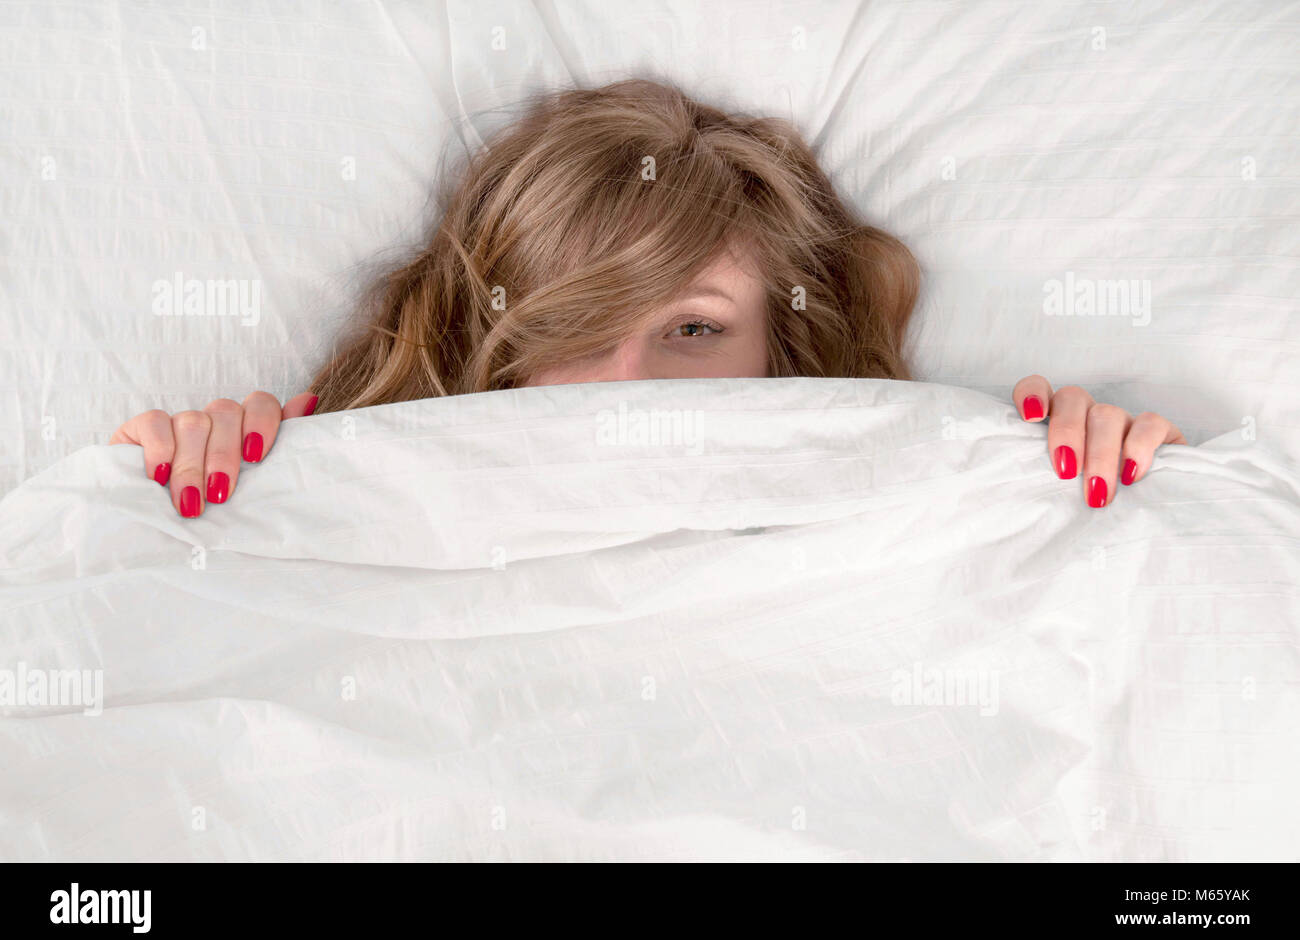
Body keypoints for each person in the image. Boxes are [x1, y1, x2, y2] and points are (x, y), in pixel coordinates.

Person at [109, 79, 1184, 519]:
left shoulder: (893, 505)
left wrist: (1075, 491)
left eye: (693, 329)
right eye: (572, 327)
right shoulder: (359, 498)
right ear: (491, 342)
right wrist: (181, 500)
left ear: (780, 354)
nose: (626, 389)